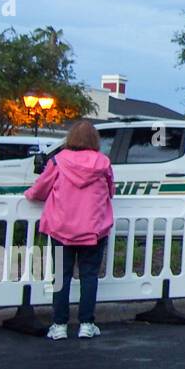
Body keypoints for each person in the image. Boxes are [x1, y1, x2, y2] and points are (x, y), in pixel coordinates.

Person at [25, 120, 114, 340]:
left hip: (61, 229)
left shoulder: (58, 161)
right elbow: (110, 191)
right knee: (89, 276)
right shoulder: (103, 163)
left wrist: (28, 195)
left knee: (61, 278)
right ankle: (86, 323)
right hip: (93, 230)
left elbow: (40, 189)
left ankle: (59, 325)